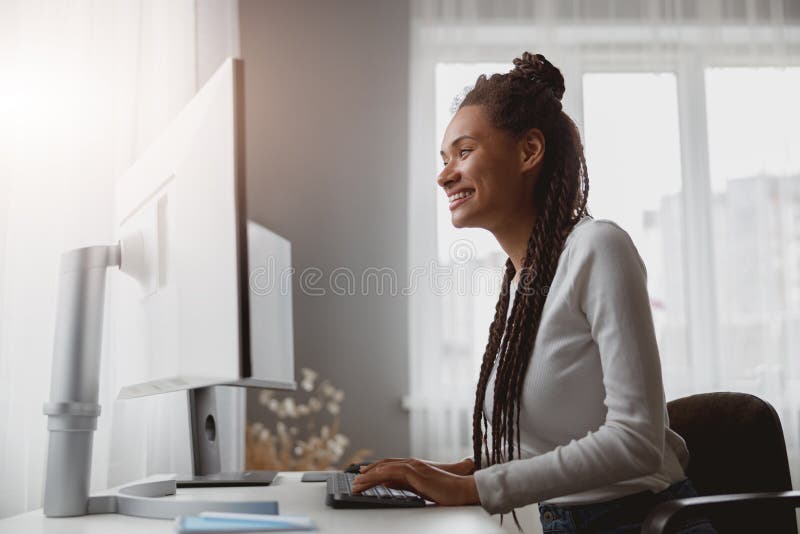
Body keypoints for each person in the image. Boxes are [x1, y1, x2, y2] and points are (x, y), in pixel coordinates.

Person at [351, 52, 717, 533]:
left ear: (528, 152)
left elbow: (637, 441)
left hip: (639, 521)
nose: (444, 175)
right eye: (444, 160)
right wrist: (446, 472)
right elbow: (550, 441)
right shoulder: (522, 282)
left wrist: (471, 489)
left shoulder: (598, 248)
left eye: (463, 152)